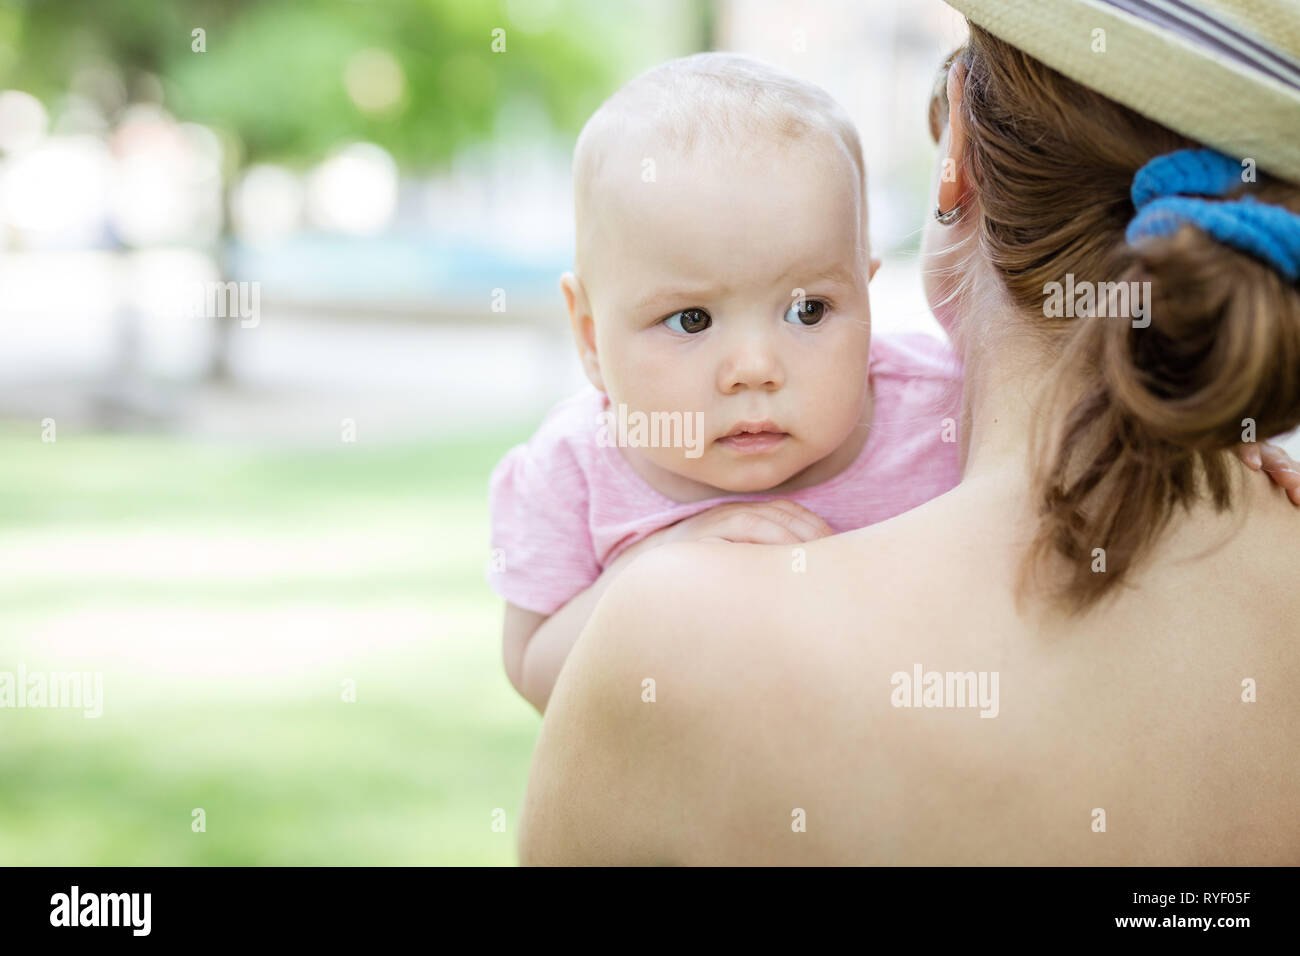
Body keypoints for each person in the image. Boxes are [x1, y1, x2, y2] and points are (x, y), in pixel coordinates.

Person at [517, 0, 1300, 864]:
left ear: (955, 153)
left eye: (809, 309)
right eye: (691, 318)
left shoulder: (672, 638)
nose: (753, 369)